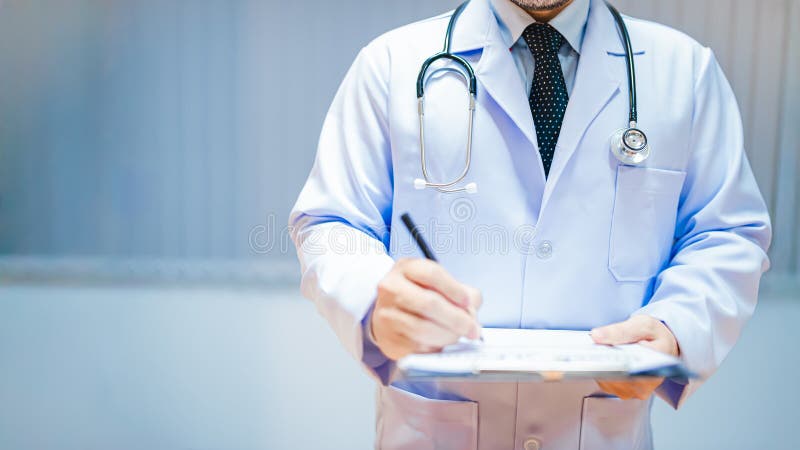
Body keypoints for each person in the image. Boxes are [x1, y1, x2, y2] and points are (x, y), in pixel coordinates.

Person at [289, 0, 772, 448]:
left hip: (601, 429)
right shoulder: (391, 64)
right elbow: (333, 223)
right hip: (435, 429)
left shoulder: (683, 72)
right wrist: (375, 301)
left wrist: (676, 326)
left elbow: (726, 234)